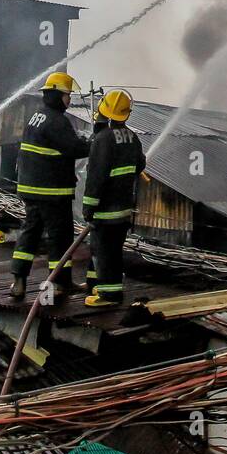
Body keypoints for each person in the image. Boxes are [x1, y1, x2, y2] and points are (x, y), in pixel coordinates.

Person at [9, 73, 89, 299]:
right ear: (55, 95)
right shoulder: (57, 120)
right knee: (60, 238)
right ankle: (61, 283)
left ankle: (18, 281)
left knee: (29, 233)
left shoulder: (36, 117)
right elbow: (75, 149)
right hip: (53, 192)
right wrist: (94, 143)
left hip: (31, 190)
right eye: (66, 95)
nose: (69, 100)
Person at [81, 90, 145, 307]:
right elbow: (140, 164)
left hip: (105, 210)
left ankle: (109, 296)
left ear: (103, 110)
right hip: (124, 210)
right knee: (112, 251)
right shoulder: (132, 137)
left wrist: (88, 207)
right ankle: (97, 285)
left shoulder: (103, 139)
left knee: (104, 251)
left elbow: (96, 178)